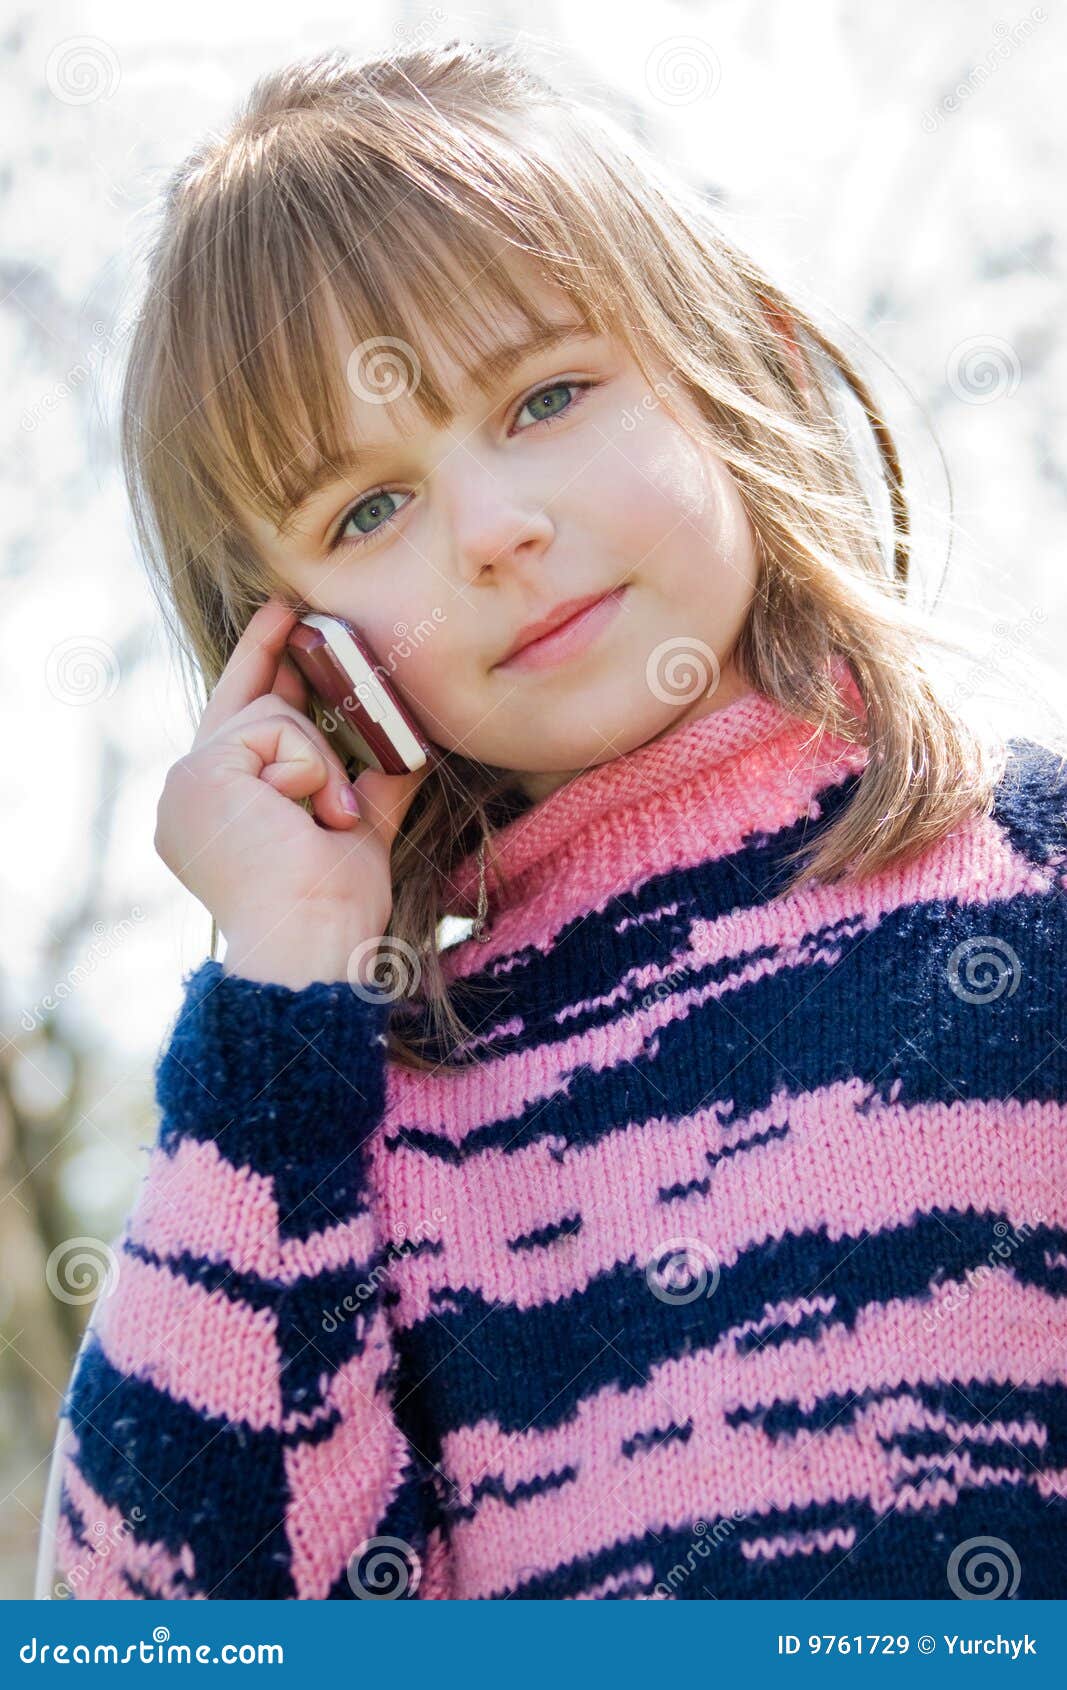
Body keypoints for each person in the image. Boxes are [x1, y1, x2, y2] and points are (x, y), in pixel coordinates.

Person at [46, 39, 1067, 1600]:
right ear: (298, 656)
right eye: (366, 510)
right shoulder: (337, 1139)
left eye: (549, 395)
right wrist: (282, 978)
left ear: (747, 368)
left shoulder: (1036, 891)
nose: (496, 529)